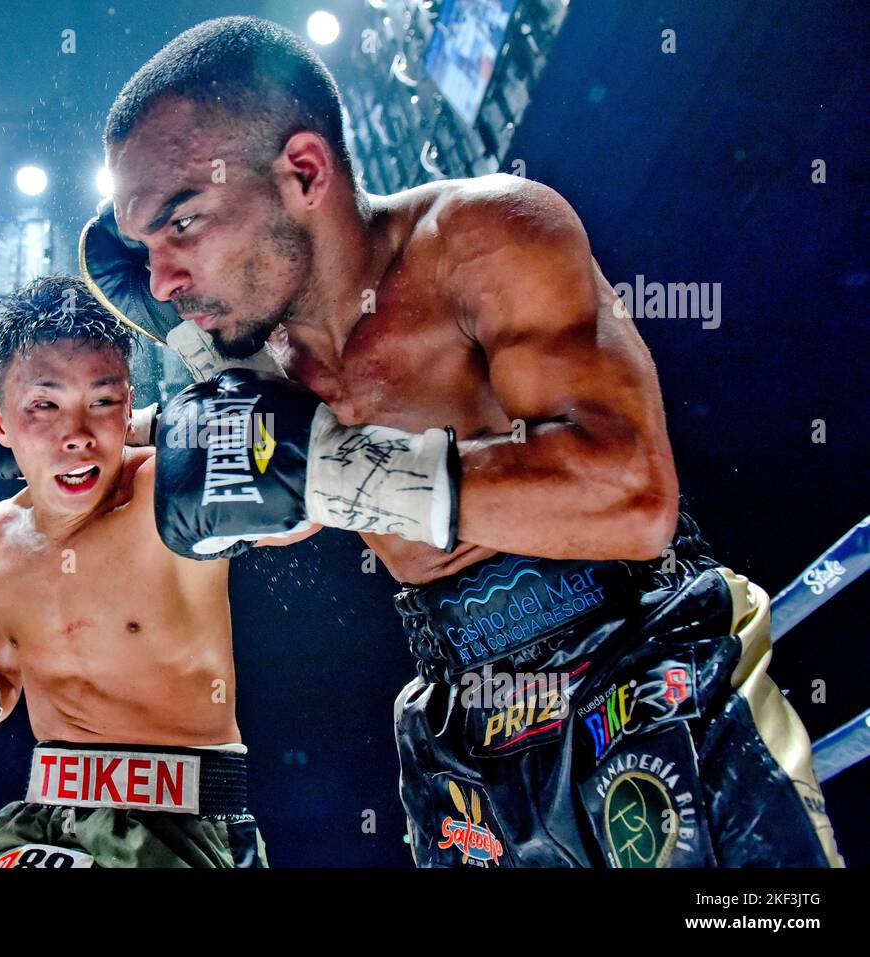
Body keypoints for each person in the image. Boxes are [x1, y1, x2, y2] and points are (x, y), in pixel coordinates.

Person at [82, 16, 842, 867]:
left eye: (181, 223)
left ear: (303, 172)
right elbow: (235, 491)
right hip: (465, 729)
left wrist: (339, 474)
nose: (156, 279)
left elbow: (633, 495)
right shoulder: (265, 364)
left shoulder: (484, 239)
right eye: (143, 246)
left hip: (646, 661)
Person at [0, 275, 309, 868]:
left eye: (102, 402)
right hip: (38, 819)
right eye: (45, 406)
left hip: (180, 819)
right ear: (0, 422)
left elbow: (296, 494)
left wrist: (205, 366)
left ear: (130, 406)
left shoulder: (167, 490)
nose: (77, 436)